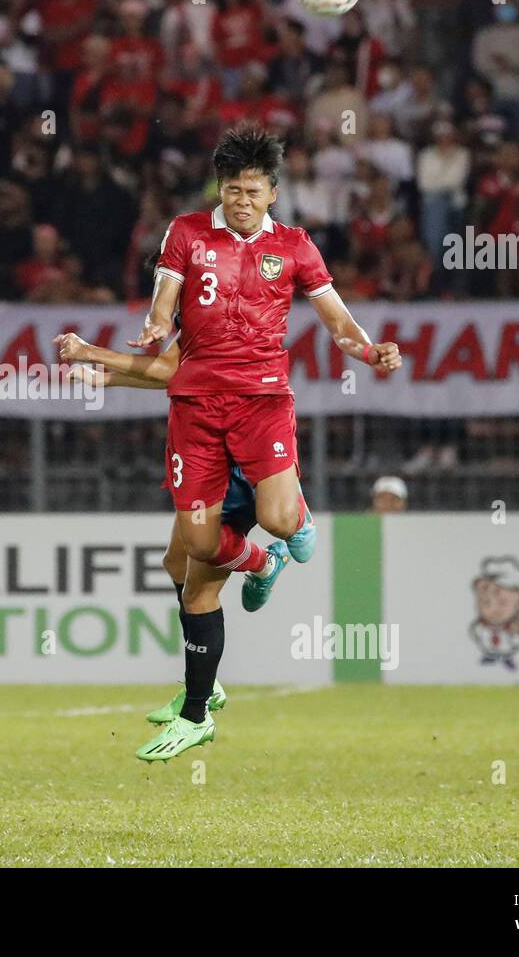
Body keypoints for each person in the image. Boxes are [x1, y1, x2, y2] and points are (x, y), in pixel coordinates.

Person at [129, 123, 402, 761]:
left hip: (262, 403)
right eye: (231, 189)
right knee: (194, 549)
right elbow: (164, 302)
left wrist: (368, 349)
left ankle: (282, 533)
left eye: (253, 189)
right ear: (219, 189)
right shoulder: (188, 232)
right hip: (196, 406)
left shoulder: (296, 246)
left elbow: (336, 319)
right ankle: (205, 695)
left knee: (279, 522)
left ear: (273, 193)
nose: (241, 200)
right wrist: (152, 327)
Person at [55, 331, 292, 729]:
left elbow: (170, 370)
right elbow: (175, 375)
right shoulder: (201, 310)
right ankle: (206, 685)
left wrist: (91, 354)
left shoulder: (214, 307)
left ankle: (197, 708)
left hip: (230, 459)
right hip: (203, 451)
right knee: (175, 562)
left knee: (199, 589)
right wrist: (107, 379)